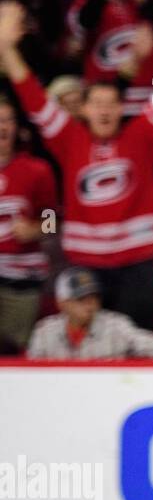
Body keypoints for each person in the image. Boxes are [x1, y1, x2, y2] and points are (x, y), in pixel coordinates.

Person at [0, 0, 153, 330]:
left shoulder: (141, 137)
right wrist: (5, 48)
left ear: (121, 109)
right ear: (84, 110)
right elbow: (32, 96)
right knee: (90, 356)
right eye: (96, 104)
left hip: (138, 265)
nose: (104, 110)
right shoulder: (69, 140)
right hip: (87, 269)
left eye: (110, 104)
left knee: (138, 351)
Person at [27, 267, 153, 360]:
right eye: (81, 299)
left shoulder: (115, 326)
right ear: (62, 303)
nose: (89, 305)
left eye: (93, 298)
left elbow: (152, 344)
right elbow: (30, 378)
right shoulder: (44, 332)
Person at [0, 97, 56, 353]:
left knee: (13, 355)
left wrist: (34, 229)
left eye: (7, 120)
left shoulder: (36, 170)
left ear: (17, 127)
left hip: (20, 284)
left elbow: (52, 223)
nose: (1, 127)